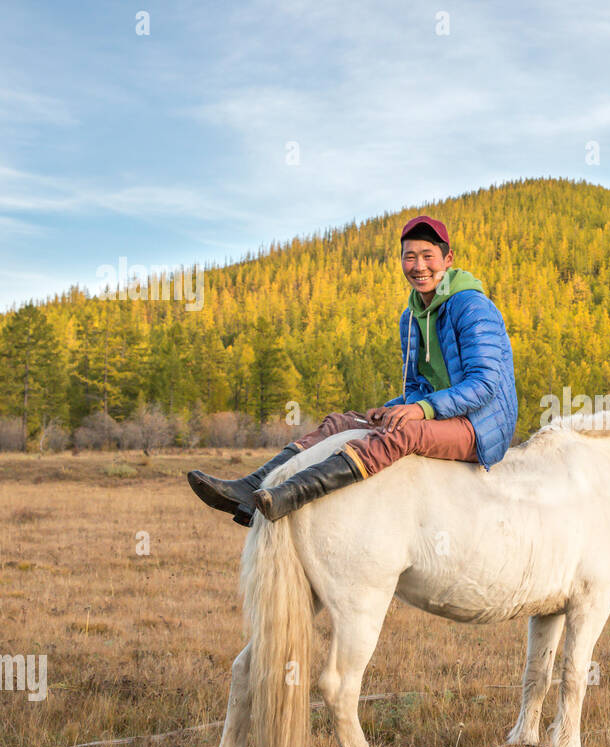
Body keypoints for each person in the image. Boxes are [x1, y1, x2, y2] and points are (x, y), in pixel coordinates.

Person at [186, 215, 518, 525]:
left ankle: (287, 497)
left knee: (401, 434)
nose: (418, 266)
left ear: (448, 259)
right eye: (409, 257)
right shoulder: (411, 317)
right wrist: (395, 408)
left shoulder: (472, 306)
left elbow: (484, 383)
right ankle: (250, 488)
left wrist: (419, 410)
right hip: (435, 415)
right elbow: (418, 383)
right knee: (342, 422)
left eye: (428, 256)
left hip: (480, 424)